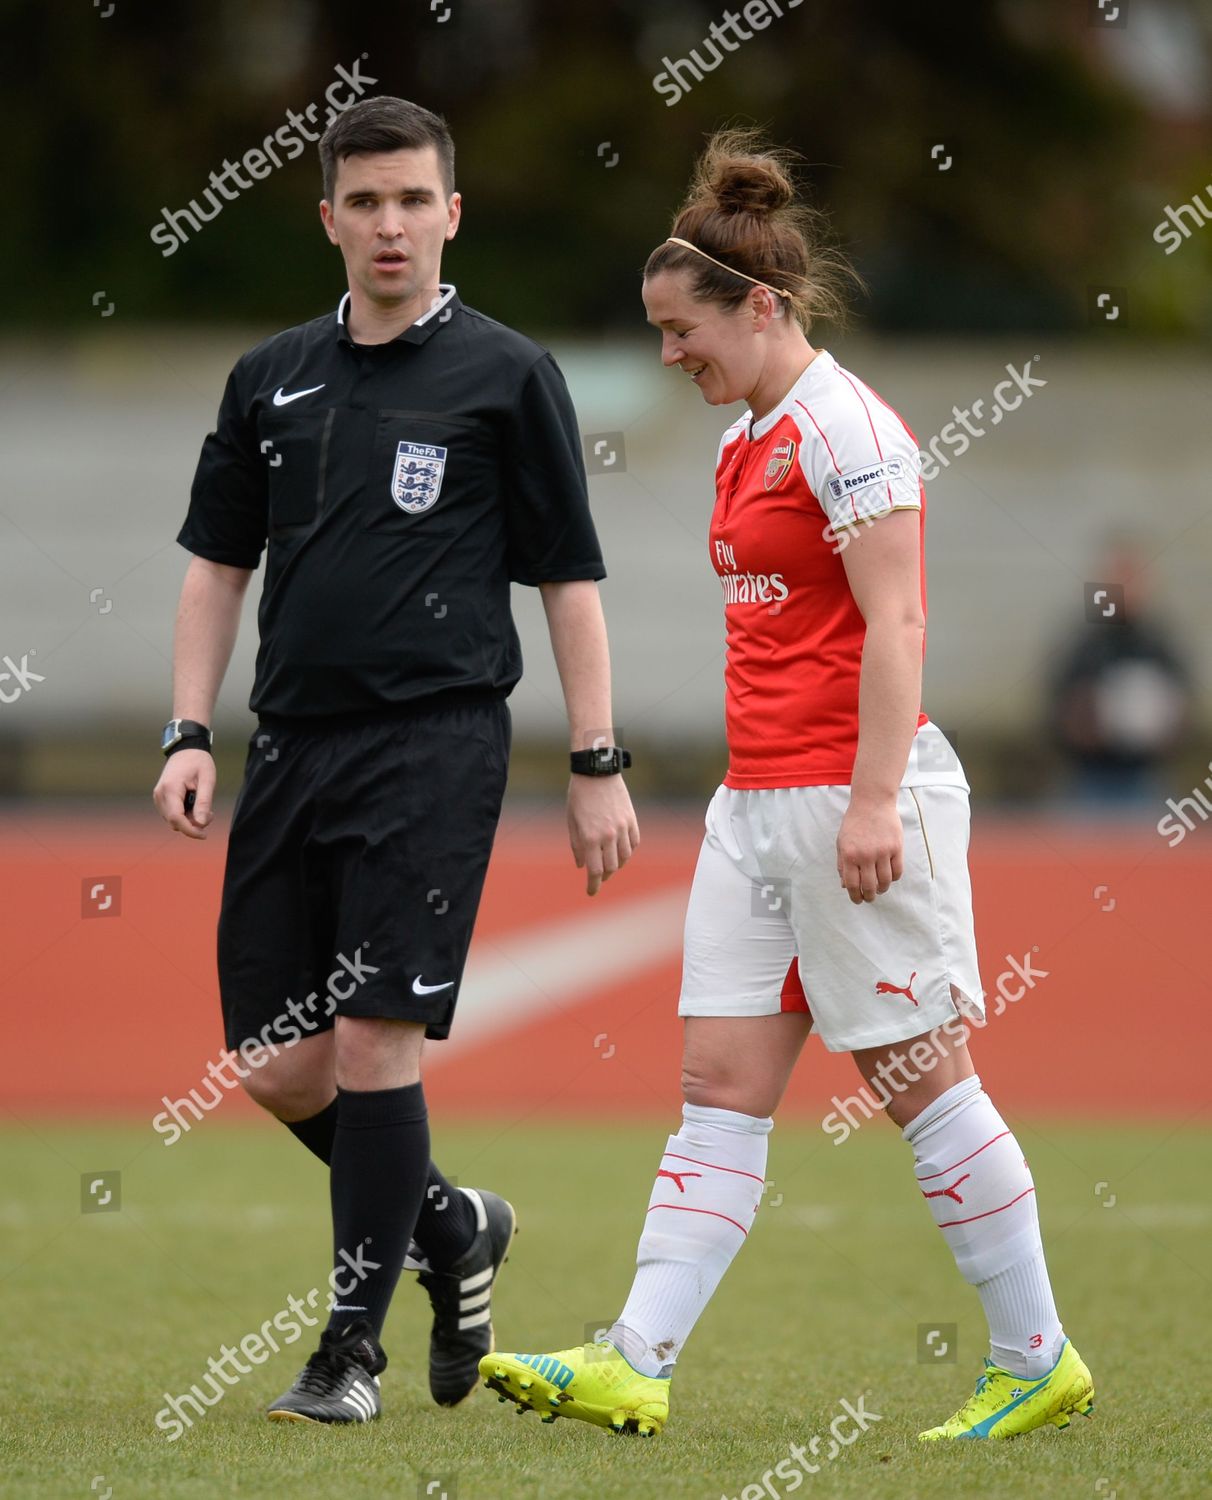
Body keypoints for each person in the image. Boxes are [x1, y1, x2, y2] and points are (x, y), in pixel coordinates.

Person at [480, 129, 1093, 1442]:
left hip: (854, 800)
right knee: (718, 1076)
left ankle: (1037, 1356)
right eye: (653, 332)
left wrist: (875, 801)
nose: (667, 355)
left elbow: (900, 627)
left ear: (760, 305)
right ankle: (634, 1357)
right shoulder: (745, 435)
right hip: (756, 808)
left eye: (680, 328)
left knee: (922, 1078)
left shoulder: (850, 429)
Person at [152, 95, 639, 1425]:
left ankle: (345, 1354)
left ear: (451, 214)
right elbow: (215, 566)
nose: (391, 224)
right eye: (365, 202)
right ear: (329, 220)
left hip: (434, 746)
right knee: (273, 1063)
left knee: (375, 1042)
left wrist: (597, 758)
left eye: (414, 199)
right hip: (289, 748)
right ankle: (452, 1228)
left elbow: (570, 582)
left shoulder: (507, 374)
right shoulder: (270, 378)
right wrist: (190, 730)